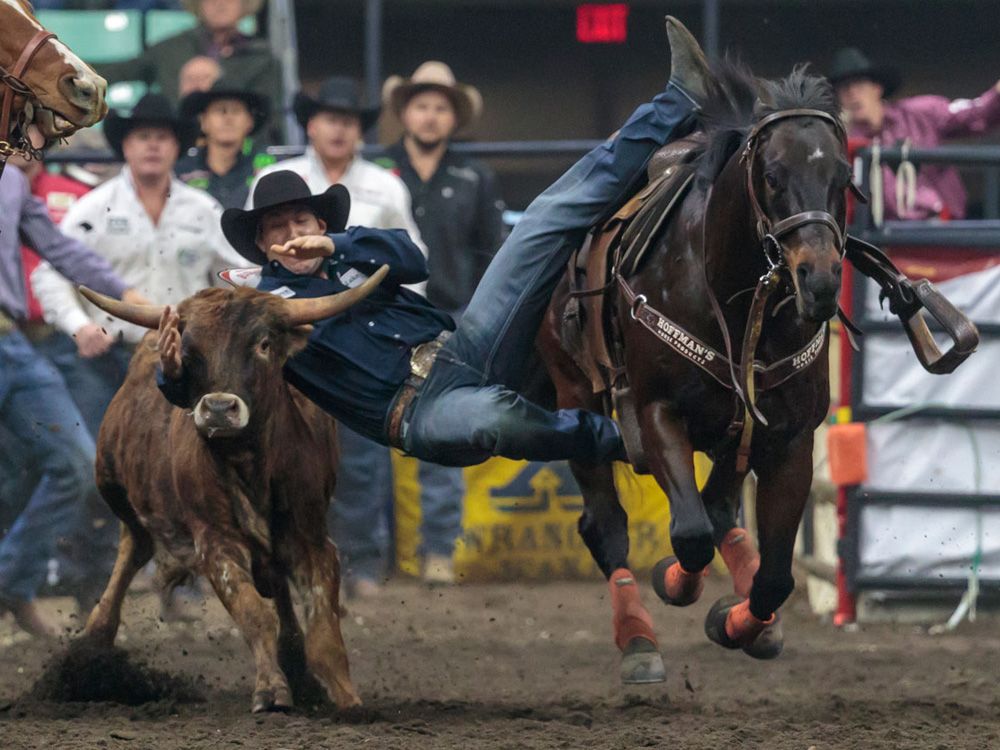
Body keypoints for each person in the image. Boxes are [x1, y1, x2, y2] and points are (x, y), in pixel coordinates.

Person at [152, 21, 708, 542]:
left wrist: (339, 244)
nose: (291, 233)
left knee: (544, 217)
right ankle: (652, 440)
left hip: (461, 345)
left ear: (320, 224)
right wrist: (173, 372)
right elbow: (213, 378)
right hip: (418, 412)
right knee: (495, 419)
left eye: (302, 221)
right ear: (262, 244)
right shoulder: (261, 308)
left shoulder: (352, 252)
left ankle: (677, 102)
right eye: (277, 227)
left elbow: (414, 261)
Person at [250, 75, 425, 598]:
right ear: (311, 124)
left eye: (348, 121)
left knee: (362, 462)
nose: (338, 129)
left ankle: (363, 564)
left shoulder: (387, 185)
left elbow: (414, 257)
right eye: (329, 118)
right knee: (283, 464)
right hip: (290, 346)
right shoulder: (279, 179)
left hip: (364, 339)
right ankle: (294, 561)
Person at [31, 94, 245, 438]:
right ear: (125, 146)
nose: (153, 146)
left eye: (162, 138)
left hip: (185, 360)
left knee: (183, 464)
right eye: (142, 137)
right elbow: (49, 273)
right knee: (100, 463)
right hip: (106, 360)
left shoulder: (204, 210)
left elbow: (235, 277)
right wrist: (79, 327)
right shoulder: (93, 208)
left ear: (177, 147)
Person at [0, 151, 146, 639]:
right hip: (20, 347)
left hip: (11, 342)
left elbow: (60, 251)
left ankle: (11, 583)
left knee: (78, 463)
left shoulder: (14, 185)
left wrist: (122, 292)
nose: (31, 139)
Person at [378, 61, 504, 584]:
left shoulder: (474, 176)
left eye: (440, 108)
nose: (430, 117)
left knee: (442, 432)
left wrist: (483, 319)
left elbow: (495, 254)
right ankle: (368, 554)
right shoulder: (376, 174)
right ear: (405, 112)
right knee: (365, 438)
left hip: (452, 318)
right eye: (422, 105)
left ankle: (437, 552)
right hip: (383, 315)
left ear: (454, 118)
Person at [830, 47, 1000, 220]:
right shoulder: (841, 142)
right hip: (886, 239)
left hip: (948, 229)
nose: (852, 93)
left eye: (859, 84)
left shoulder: (921, 113)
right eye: (844, 88)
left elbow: (976, 114)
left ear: (877, 87)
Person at [97, 0, 283, 141]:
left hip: (236, 150)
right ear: (198, 5)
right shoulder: (170, 49)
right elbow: (119, 71)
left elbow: (268, 117)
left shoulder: (261, 57)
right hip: (175, 142)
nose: (220, 3)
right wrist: (73, 70)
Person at [177, 78, 275, 208]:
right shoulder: (180, 170)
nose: (228, 118)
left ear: (250, 122)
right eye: (220, 110)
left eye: (236, 111)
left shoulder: (268, 167)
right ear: (203, 121)